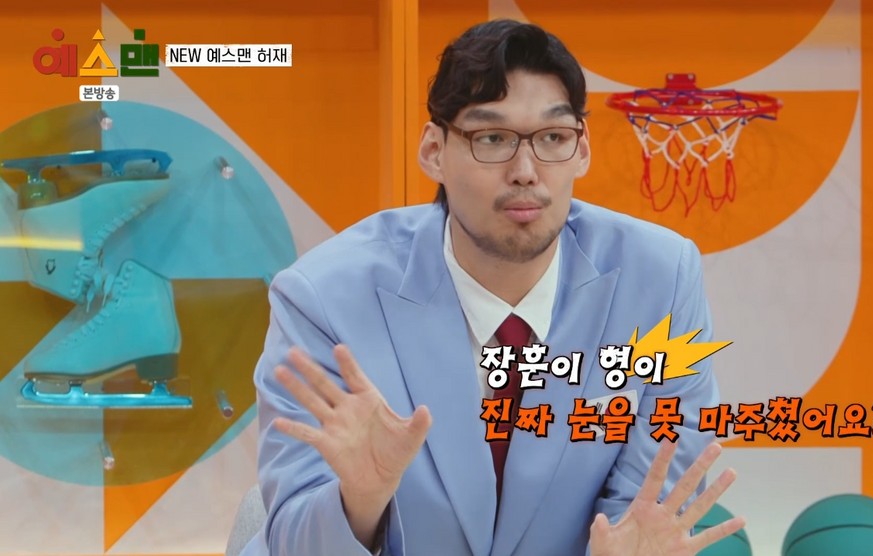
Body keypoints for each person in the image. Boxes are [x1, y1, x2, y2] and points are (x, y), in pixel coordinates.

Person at [241, 19, 744, 556]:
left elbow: (645, 507)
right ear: (433, 151)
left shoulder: (662, 279)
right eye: (493, 139)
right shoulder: (324, 296)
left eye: (552, 138)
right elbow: (292, 541)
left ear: (582, 149)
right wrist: (359, 501)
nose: (526, 171)